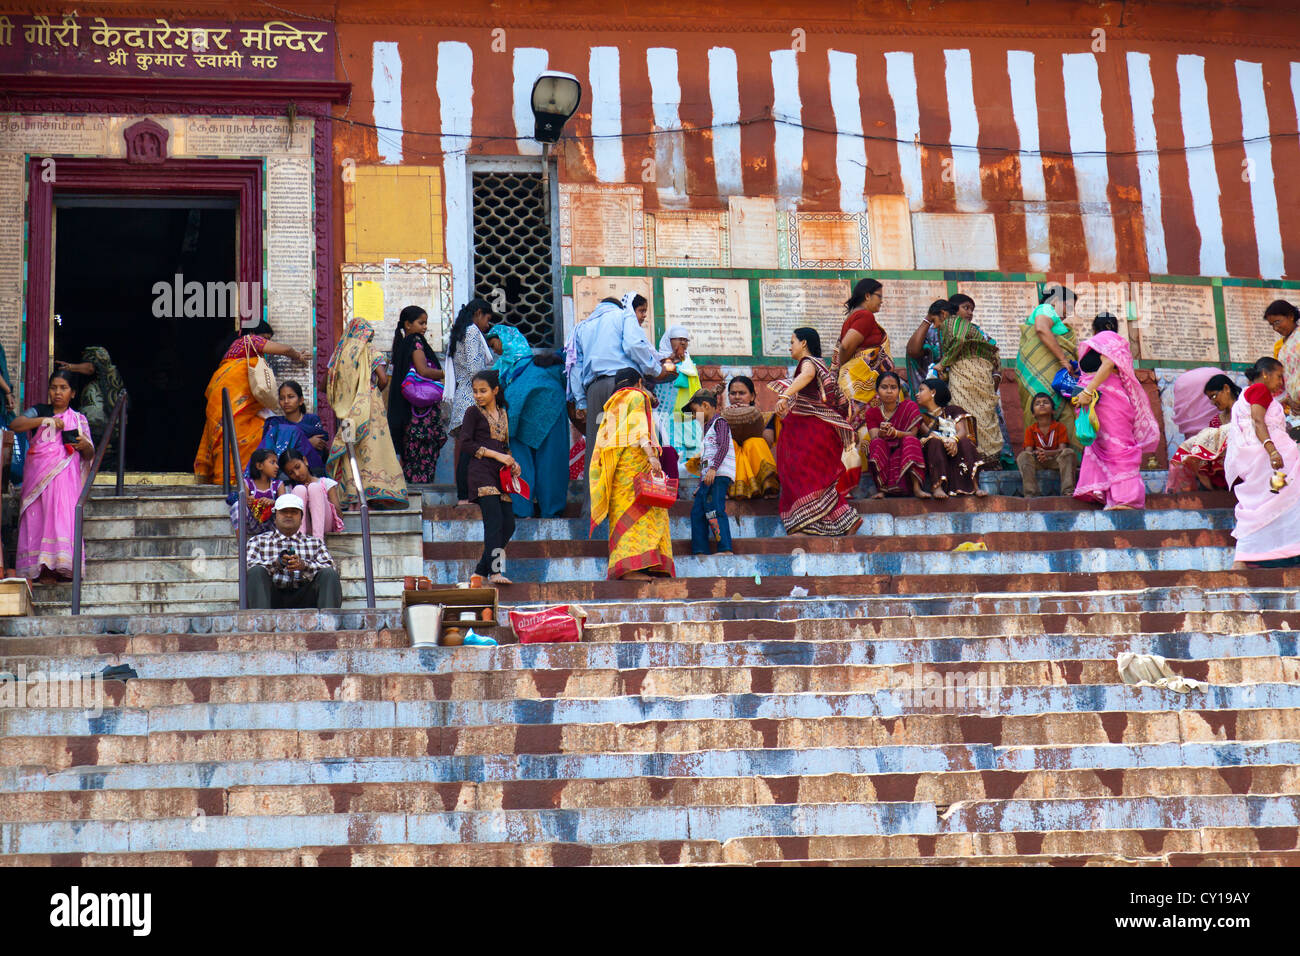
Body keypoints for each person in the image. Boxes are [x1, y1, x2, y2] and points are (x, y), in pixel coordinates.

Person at [567, 293, 669, 500]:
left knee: (596, 450)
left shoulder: (582, 327)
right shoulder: (624, 316)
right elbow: (634, 345)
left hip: (594, 388)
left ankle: (593, 510)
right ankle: (626, 505)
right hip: (624, 386)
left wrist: (581, 400)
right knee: (630, 443)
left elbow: (575, 366)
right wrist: (654, 369)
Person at [771, 328, 862, 535]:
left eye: (792, 341)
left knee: (802, 474)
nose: (789, 346)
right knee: (810, 477)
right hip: (811, 429)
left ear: (803, 343)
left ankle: (809, 524)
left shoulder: (809, 363)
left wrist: (785, 396)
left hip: (811, 430)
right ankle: (839, 522)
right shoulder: (817, 363)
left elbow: (807, 375)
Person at [194, 320, 309, 485]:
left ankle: (228, 479)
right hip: (232, 406)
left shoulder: (234, 352)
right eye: (265, 338)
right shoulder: (249, 341)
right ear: (253, 333)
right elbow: (285, 349)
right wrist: (298, 355)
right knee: (265, 434)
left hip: (224, 405)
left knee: (229, 438)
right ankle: (240, 480)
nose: (265, 343)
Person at [589, 366, 675, 580]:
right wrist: (652, 456)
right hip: (636, 463)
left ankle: (636, 566)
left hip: (619, 468)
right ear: (638, 383)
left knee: (624, 514)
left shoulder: (613, 402)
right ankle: (633, 569)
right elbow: (639, 430)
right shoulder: (637, 396)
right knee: (647, 513)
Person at [10, 371, 95, 582]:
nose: (57, 392)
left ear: (73, 393)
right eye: (53, 387)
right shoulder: (40, 411)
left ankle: (60, 567)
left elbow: (89, 454)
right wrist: (46, 420)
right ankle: (39, 569)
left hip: (65, 482)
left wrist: (84, 446)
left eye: (63, 388)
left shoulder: (78, 419)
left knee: (61, 519)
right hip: (37, 480)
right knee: (38, 518)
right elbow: (16, 424)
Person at [1071, 314, 1159, 510]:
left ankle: (1127, 499)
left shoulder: (1108, 341)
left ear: (1094, 329)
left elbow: (1108, 365)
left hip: (1111, 402)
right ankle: (1106, 494)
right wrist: (1080, 398)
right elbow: (1085, 376)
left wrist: (1087, 391)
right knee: (1100, 446)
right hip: (1093, 405)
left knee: (1118, 447)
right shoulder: (1092, 346)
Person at [486, 323, 570, 518]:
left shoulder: (533, 363)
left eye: (495, 343)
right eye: (491, 346)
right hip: (522, 416)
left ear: (507, 340)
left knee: (548, 462)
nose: (495, 349)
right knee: (529, 462)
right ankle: (530, 510)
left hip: (546, 413)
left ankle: (540, 510)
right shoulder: (505, 367)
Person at [324, 317, 408, 509]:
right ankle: (372, 495)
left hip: (346, 409)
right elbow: (383, 379)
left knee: (350, 449)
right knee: (373, 449)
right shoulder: (370, 351)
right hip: (369, 406)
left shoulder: (338, 355)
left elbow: (325, 384)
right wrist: (370, 388)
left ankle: (353, 497)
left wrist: (345, 394)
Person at [1224, 357, 1300, 567]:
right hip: (1272, 461)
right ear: (1265, 374)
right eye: (1278, 376)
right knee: (1281, 499)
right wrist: (1272, 451)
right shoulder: (1259, 390)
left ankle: (1252, 556)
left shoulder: (1251, 394)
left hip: (1268, 462)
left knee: (1275, 502)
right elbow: (1258, 421)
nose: (1281, 382)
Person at [460, 370, 519, 585]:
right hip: (481, 472)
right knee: (494, 523)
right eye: (475, 391)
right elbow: (466, 443)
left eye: (483, 391)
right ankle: (495, 572)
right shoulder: (472, 413)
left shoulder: (504, 413)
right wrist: (497, 455)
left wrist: (512, 463)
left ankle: (479, 571)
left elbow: (505, 446)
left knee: (509, 525)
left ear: (495, 390)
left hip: (500, 475)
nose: (478, 395)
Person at [928, 294, 1003, 462]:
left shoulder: (951, 323)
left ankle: (972, 455)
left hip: (970, 372)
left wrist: (943, 363)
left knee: (963, 412)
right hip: (977, 373)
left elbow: (959, 342)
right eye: (966, 307)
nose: (970, 313)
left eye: (971, 309)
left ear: (944, 314)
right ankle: (985, 457)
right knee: (980, 414)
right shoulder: (962, 327)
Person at [245, 493, 343, 609]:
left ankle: (329, 623)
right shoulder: (257, 541)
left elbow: (332, 568)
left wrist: (304, 565)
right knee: (256, 571)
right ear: (275, 518)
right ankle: (261, 624)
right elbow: (248, 567)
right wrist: (276, 563)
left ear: (301, 519)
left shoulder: (315, 543)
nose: (289, 515)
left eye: (294, 512)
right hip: (270, 598)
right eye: (284, 512)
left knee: (329, 574)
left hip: (306, 597)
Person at [446, 299, 498, 505]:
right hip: (473, 399)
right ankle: (466, 496)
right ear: (478, 313)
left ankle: (464, 497)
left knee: (467, 450)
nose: (488, 325)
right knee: (471, 453)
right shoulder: (473, 332)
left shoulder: (458, 333)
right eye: (487, 319)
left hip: (463, 398)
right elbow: (476, 369)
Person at [388, 306, 448, 484]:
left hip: (409, 413)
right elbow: (423, 371)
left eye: (426, 323)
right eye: (421, 323)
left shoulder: (402, 343)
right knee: (423, 455)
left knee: (412, 458)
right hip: (421, 415)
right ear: (408, 324)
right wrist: (447, 374)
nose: (424, 327)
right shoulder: (416, 341)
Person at [1017, 284, 1080, 450]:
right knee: (1041, 415)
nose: (1070, 312)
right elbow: (1041, 328)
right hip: (1040, 378)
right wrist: (1063, 360)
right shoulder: (1046, 308)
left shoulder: (1054, 318)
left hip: (1056, 380)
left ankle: (1069, 464)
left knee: (1065, 418)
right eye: (1070, 306)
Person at [682, 387, 736, 556]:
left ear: (705, 405)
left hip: (718, 475)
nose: (694, 416)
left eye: (694, 411)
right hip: (708, 477)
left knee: (715, 509)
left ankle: (725, 548)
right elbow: (706, 458)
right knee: (697, 512)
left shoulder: (720, 423)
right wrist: (700, 483)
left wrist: (713, 468)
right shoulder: (707, 429)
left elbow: (724, 445)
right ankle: (700, 550)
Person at [1166, 374, 1238, 493]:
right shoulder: (1216, 421)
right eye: (1210, 399)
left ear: (1226, 389)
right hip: (1224, 468)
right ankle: (1217, 491)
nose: (1213, 401)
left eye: (1214, 396)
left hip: (1245, 460)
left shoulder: (1245, 408)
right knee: (1194, 453)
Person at [862, 370, 929, 499]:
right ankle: (882, 489)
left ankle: (916, 488)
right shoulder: (872, 413)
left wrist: (895, 433)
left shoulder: (909, 406)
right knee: (876, 443)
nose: (889, 391)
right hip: (885, 450)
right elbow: (874, 436)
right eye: (884, 387)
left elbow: (913, 434)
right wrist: (882, 433)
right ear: (877, 391)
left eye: (893, 387)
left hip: (904, 449)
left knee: (911, 441)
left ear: (899, 391)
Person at [916, 377, 986, 498]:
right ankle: (937, 487)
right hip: (934, 448)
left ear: (933, 392)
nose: (917, 394)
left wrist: (954, 440)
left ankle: (975, 486)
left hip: (953, 444)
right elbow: (929, 434)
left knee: (964, 442)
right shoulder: (920, 417)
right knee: (934, 442)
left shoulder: (953, 410)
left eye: (921, 390)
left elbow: (962, 431)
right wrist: (945, 441)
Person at [835, 278, 894, 413]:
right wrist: (846, 365)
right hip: (858, 379)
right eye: (879, 296)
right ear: (867, 296)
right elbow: (845, 346)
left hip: (855, 379)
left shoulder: (854, 316)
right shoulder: (865, 316)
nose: (881, 301)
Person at [55, 345, 125, 450]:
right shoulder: (110, 378)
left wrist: (70, 367)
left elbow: (90, 368)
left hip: (100, 425)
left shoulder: (102, 382)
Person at [652, 324, 703, 466]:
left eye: (685, 340)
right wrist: (671, 360)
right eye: (679, 339)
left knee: (690, 453)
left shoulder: (689, 363)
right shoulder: (659, 361)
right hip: (664, 413)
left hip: (687, 415)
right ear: (669, 341)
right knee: (668, 450)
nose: (682, 343)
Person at [259, 381, 330, 477]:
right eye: (282, 398)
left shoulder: (312, 420)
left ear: (301, 400)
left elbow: (319, 448)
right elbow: (270, 453)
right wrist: (307, 443)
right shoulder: (275, 424)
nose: (286, 401)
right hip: (283, 475)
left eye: (290, 397)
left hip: (311, 473)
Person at [724, 376, 779, 499]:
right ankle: (724, 488)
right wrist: (728, 418)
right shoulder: (722, 417)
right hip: (734, 464)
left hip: (754, 460)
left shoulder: (766, 417)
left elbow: (768, 442)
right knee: (729, 444)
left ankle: (767, 487)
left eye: (742, 393)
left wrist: (754, 418)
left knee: (754, 443)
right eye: (733, 393)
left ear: (752, 396)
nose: (737, 397)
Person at [1017, 392, 1078, 497]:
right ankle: (1030, 493)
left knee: (1068, 452)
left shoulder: (1060, 427)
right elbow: (1028, 452)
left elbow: (1062, 449)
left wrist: (1048, 453)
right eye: (1037, 403)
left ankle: (1068, 491)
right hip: (1038, 461)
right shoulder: (1030, 430)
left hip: (1055, 461)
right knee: (1023, 456)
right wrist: (1040, 454)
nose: (1041, 405)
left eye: (1045, 402)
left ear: (1053, 410)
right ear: (1033, 414)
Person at [280, 446, 345, 540]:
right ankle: (299, 539)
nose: (297, 474)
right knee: (299, 490)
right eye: (291, 473)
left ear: (305, 461)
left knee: (314, 487)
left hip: (325, 525)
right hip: (301, 526)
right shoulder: (289, 490)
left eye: (298, 467)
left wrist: (317, 497)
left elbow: (340, 516)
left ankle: (318, 541)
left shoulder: (326, 483)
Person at [231, 448, 284, 536]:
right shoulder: (247, 483)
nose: (277, 466)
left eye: (277, 463)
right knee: (238, 506)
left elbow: (284, 504)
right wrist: (248, 500)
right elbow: (244, 501)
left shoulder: (278, 484)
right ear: (259, 466)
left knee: (282, 508)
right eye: (272, 462)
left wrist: (273, 502)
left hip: (273, 526)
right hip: (253, 524)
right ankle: (242, 546)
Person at [1266, 299, 1300, 416]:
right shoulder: (1280, 347)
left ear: (1290, 316)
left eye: (1277, 322)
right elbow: (1282, 378)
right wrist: (1289, 401)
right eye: (1272, 325)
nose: (1275, 329)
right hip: (1295, 409)